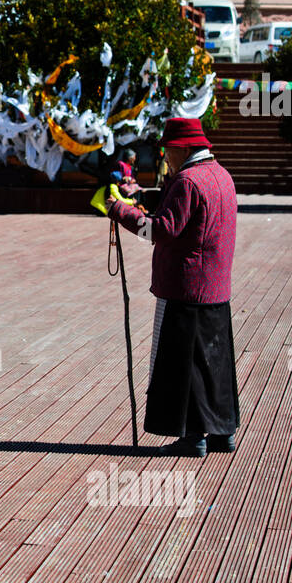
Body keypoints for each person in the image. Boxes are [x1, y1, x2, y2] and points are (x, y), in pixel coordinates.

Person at [107, 116, 239, 457]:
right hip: (217, 287)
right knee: (215, 363)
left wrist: (121, 213)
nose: (165, 157)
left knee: (186, 366)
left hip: (186, 287)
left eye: (167, 150)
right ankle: (222, 432)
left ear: (182, 148)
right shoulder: (222, 176)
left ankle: (193, 437)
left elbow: (162, 231)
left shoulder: (187, 181)